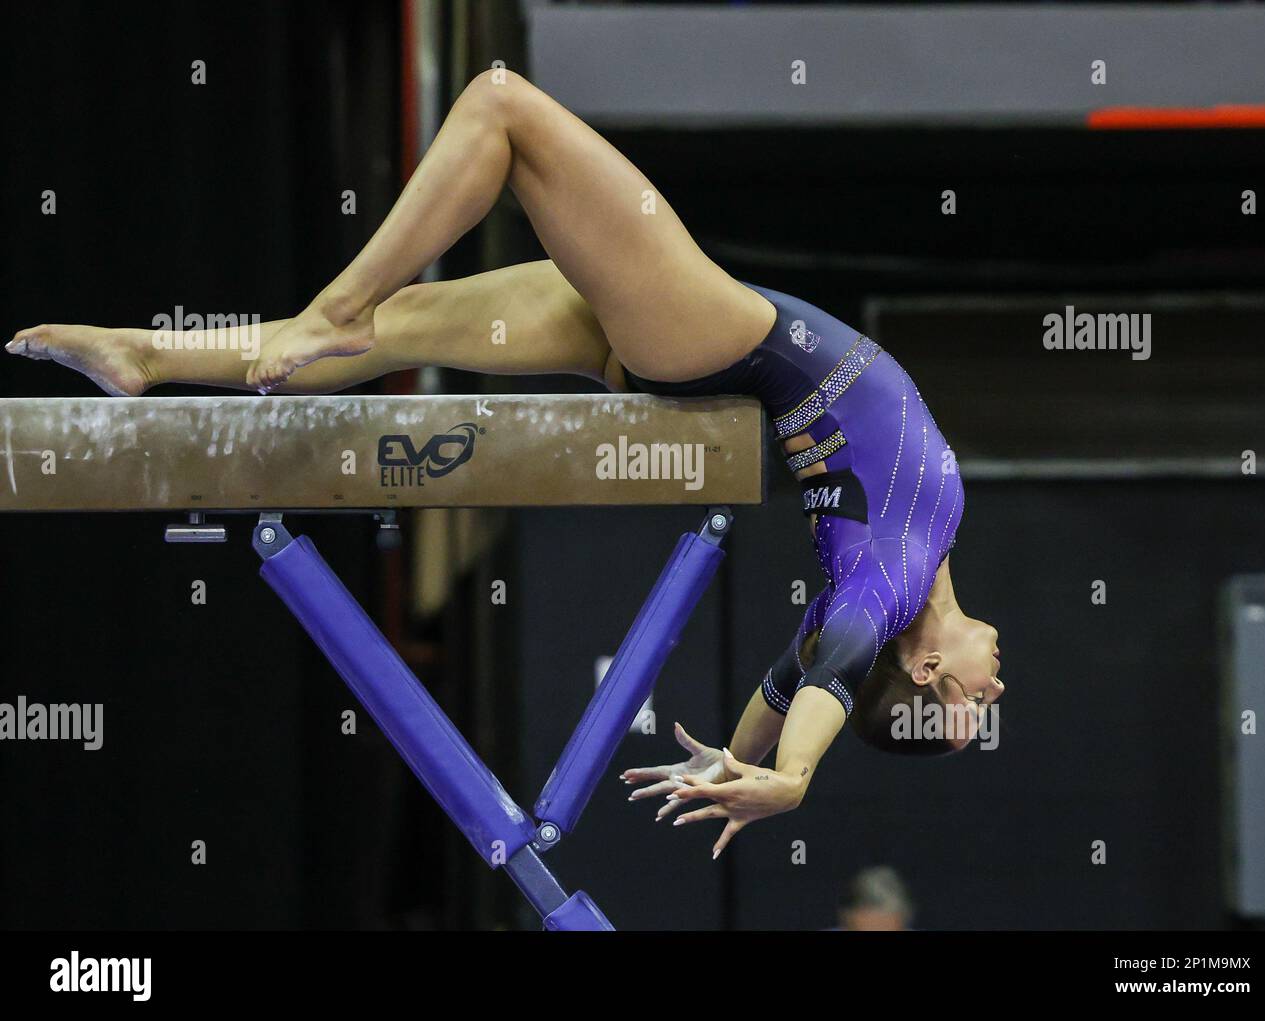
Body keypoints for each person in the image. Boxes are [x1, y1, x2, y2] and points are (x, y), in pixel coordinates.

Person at [7, 68, 1004, 860]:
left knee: (500, 106)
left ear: (926, 675)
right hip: (690, 339)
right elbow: (794, 683)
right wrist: (734, 764)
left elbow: (825, 677)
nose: (994, 689)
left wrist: (787, 780)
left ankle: (329, 308)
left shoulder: (883, 588)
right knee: (395, 335)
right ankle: (149, 354)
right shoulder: (895, 571)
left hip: (711, 333)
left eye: (969, 706)